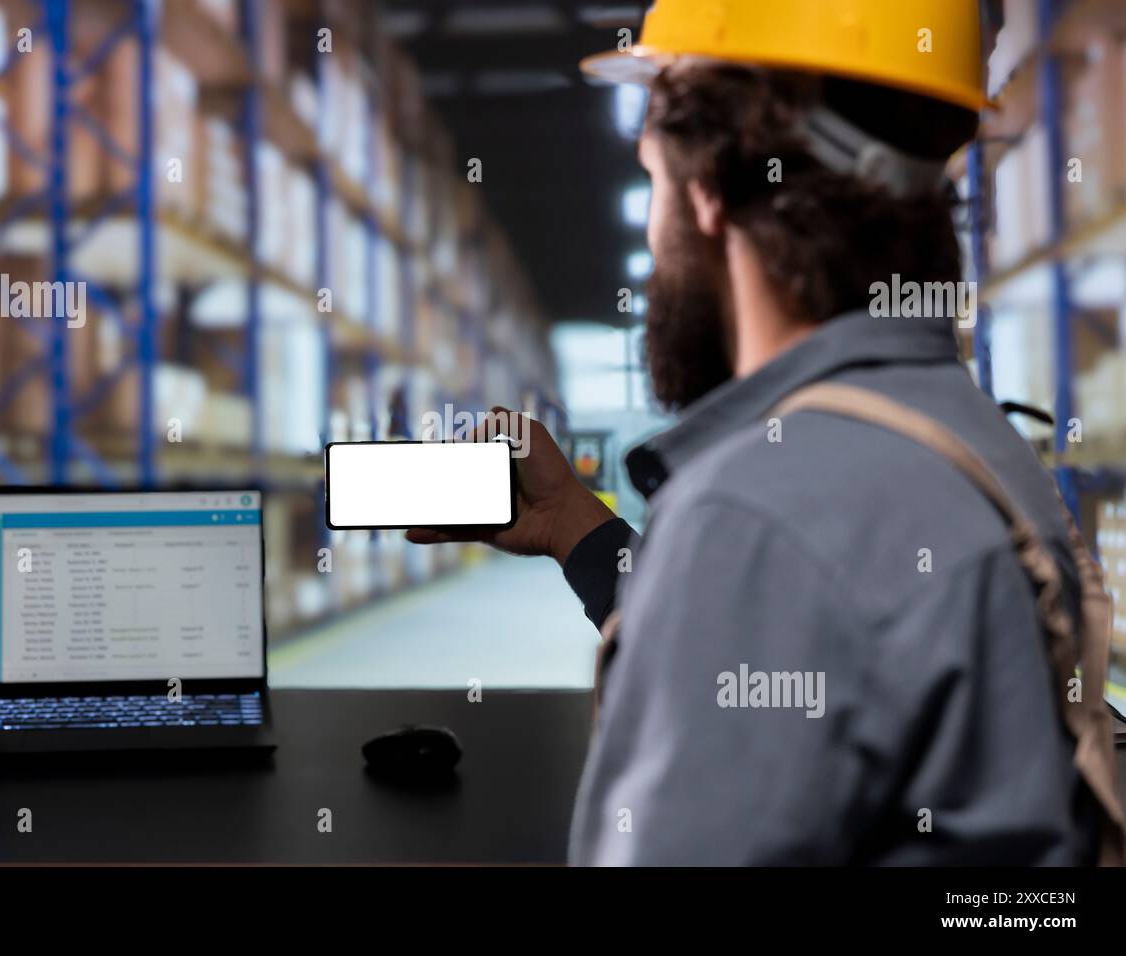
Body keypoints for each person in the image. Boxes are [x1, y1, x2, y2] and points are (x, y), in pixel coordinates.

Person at [407, 0, 1124, 864]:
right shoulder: (970, 439)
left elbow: (783, 594)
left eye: (654, 180)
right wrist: (575, 528)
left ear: (707, 188)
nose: (653, 223)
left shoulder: (761, 520)